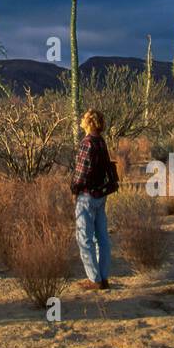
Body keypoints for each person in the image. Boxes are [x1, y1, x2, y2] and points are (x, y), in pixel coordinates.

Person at [70, 108, 114, 290]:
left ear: (88, 122)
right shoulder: (101, 142)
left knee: (84, 239)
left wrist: (74, 190)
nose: (81, 121)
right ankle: (103, 277)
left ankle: (94, 279)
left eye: (84, 119)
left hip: (87, 196)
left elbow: (81, 172)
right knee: (101, 237)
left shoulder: (87, 143)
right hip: (100, 195)